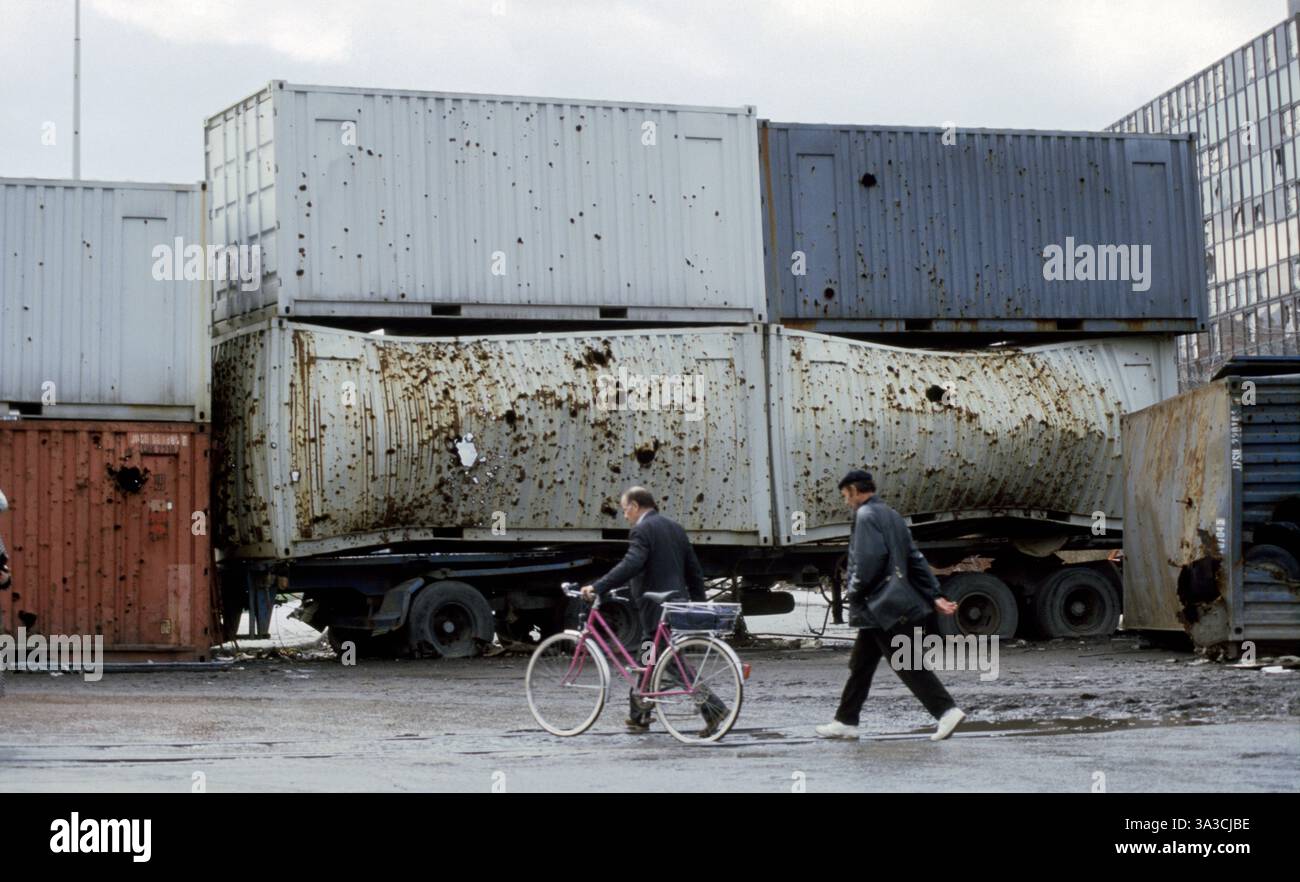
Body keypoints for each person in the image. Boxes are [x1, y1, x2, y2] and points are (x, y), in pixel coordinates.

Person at [816, 470, 967, 741]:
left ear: (854, 490)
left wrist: (854, 590)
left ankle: (946, 711)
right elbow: (915, 558)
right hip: (884, 605)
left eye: (845, 496)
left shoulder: (865, 516)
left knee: (905, 662)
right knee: (861, 664)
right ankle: (845, 721)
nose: (846, 502)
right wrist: (935, 594)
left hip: (880, 605)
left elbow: (867, 560)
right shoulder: (891, 515)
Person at [580, 486, 727, 735]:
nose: (625, 515)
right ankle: (639, 715)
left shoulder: (642, 529)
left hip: (654, 606)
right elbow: (694, 570)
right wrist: (698, 603)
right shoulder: (675, 527)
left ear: (636, 507)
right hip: (673, 604)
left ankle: (712, 707)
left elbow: (632, 563)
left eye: (625, 509)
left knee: (669, 662)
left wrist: (599, 586)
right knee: (648, 657)